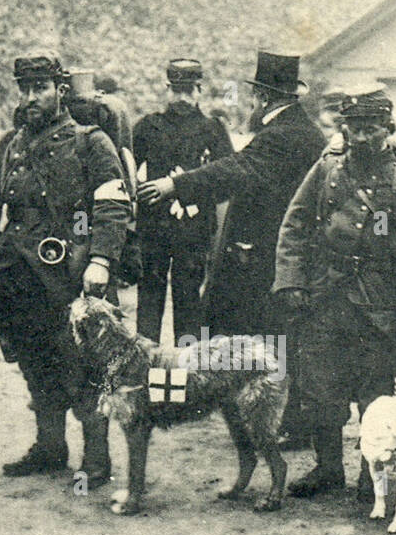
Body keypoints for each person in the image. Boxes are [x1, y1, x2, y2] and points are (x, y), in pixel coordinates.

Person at [0, 50, 130, 487]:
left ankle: (96, 458)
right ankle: (50, 447)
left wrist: (101, 260)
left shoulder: (92, 142)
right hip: (17, 278)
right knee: (36, 364)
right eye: (26, 89)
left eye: (41, 89)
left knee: (84, 368)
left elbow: (112, 207)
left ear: (61, 92)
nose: (32, 98)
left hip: (71, 277)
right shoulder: (9, 144)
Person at [273, 87, 396, 498]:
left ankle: (373, 475)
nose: (362, 138)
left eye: (371, 129)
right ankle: (328, 469)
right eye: (354, 128)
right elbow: (293, 226)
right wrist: (292, 280)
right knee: (320, 392)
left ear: (386, 129)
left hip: (379, 306)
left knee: (377, 395)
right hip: (325, 299)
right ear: (343, 128)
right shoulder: (326, 170)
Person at [138, 51, 325, 337]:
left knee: (229, 326)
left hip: (256, 245)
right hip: (161, 231)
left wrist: (175, 185)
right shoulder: (295, 128)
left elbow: (237, 167)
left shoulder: (279, 133)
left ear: (262, 98)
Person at [131, 58, 233, 342]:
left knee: (189, 305)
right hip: (153, 230)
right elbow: (125, 169)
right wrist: (140, 190)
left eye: (188, 91)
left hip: (194, 232)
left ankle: (187, 376)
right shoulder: (147, 126)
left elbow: (226, 181)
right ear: (166, 89)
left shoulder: (213, 129)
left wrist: (193, 193)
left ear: (199, 90)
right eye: (176, 90)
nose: (182, 98)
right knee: (148, 303)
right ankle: (144, 372)